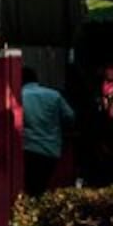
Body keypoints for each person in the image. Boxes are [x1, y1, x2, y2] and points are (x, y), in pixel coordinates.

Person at [77, 63, 113, 188]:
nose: (107, 85)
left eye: (110, 81)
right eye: (104, 81)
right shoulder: (93, 101)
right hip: (95, 157)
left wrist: (112, 113)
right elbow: (87, 127)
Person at [19, 66, 76, 196]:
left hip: (28, 148)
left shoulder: (19, 96)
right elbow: (70, 116)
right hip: (50, 150)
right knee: (41, 186)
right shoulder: (54, 95)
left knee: (29, 188)